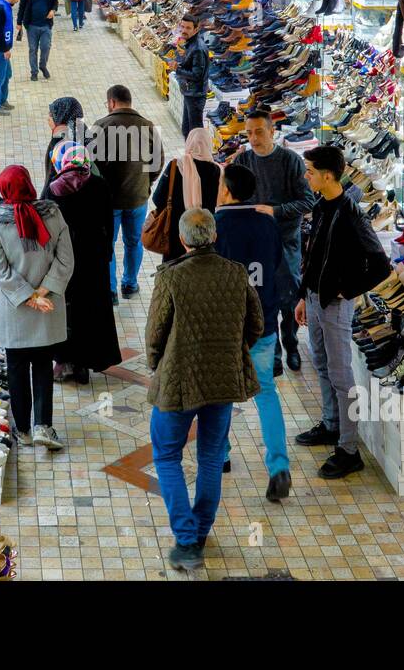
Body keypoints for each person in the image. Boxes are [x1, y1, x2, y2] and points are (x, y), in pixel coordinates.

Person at [146, 207, 262, 571]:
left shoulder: (172, 278)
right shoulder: (236, 273)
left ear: (182, 240)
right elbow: (256, 324)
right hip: (223, 381)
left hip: (180, 381)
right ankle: (201, 530)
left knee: (167, 456)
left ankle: (185, 540)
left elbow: (155, 334)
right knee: (212, 457)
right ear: (213, 236)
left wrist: (156, 363)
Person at [294, 145, 385, 479]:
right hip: (316, 299)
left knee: (341, 373)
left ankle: (349, 448)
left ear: (327, 175)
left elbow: (380, 265)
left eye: (310, 171)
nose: (306, 176)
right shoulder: (321, 205)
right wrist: (304, 295)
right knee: (321, 364)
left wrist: (348, 291)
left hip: (335, 303)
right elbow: (314, 254)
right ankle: (331, 424)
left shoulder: (350, 213)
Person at [214, 164, 291, 502]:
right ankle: (278, 467)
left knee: (221, 395)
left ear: (228, 191)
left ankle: (222, 455)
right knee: (266, 394)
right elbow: (276, 265)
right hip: (263, 323)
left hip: (227, 327)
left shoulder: (217, 227)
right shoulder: (267, 223)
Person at [0, 164, 75, 451]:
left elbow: (0, 271)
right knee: (42, 366)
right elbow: (66, 260)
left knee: (15, 368)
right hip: (47, 307)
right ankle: (43, 426)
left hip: (15, 310)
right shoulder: (54, 214)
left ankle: (22, 429)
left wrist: (28, 296)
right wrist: (42, 291)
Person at [229, 109, 314, 376]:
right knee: (264, 300)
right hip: (256, 244)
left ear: (272, 131)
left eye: (259, 132)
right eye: (249, 133)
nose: (253, 138)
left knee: (289, 299)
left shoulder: (290, 161)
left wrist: (274, 211)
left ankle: (292, 345)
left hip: (286, 241)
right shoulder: (243, 160)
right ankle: (274, 353)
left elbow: (307, 201)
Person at [44, 140, 121, 384]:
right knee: (89, 310)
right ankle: (83, 365)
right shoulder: (99, 185)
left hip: (65, 261)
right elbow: (109, 224)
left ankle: (64, 362)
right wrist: (106, 252)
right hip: (94, 259)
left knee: (66, 310)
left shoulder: (53, 189)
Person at [93, 85, 162, 303]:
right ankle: (130, 285)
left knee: (108, 245)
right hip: (137, 198)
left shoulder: (100, 126)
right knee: (134, 243)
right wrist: (146, 182)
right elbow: (157, 163)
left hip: (109, 201)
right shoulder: (148, 127)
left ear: (111, 103)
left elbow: (91, 166)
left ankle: (111, 290)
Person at [150, 126, 219, 263]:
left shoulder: (176, 166)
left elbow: (157, 199)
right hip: (205, 235)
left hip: (176, 233)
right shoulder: (216, 171)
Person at [17, 0, 59, 82]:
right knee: (33, 49)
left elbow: (55, 2)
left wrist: (53, 10)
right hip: (31, 25)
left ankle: (43, 65)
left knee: (46, 47)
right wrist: (19, 22)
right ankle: (34, 72)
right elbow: (21, 7)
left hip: (46, 25)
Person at [174, 14, 209, 138]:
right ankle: (192, 155)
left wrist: (177, 69)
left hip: (195, 95)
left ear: (196, 29)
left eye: (188, 28)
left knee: (195, 132)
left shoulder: (198, 48)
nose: (184, 30)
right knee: (187, 130)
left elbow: (197, 75)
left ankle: (198, 156)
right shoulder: (191, 44)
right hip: (191, 92)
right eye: (182, 27)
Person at [43, 96, 84, 193]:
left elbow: (52, 176)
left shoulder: (60, 140)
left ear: (62, 116)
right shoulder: (82, 131)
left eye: (52, 114)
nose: (48, 118)